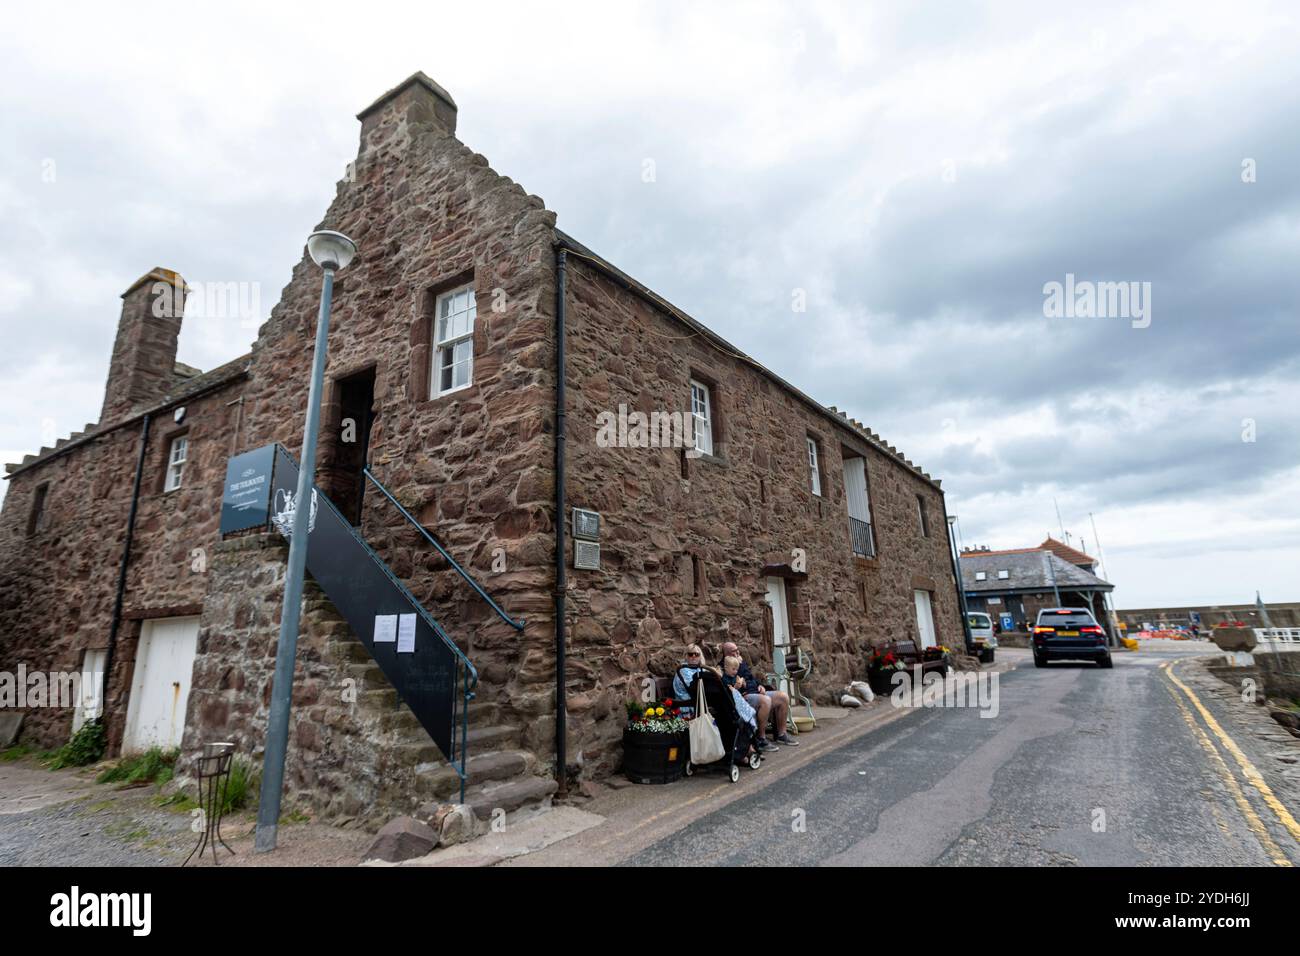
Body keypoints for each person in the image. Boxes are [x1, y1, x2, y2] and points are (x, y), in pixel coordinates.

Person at [721, 641, 798, 746]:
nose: (737, 653)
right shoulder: (725, 666)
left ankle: (781, 734)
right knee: (766, 701)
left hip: (755, 691)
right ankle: (761, 738)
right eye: (734, 652)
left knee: (783, 697)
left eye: (737, 650)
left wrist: (759, 685)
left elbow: (750, 678)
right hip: (744, 697)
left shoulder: (741, 662)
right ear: (726, 654)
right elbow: (731, 686)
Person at [722, 655, 774, 751]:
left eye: (737, 669)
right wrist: (736, 687)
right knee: (749, 715)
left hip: (742, 699)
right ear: (726, 668)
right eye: (733, 669)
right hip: (733, 705)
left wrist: (743, 684)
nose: (736, 672)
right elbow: (730, 691)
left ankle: (753, 743)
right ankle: (752, 745)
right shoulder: (725, 679)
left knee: (751, 713)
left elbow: (743, 687)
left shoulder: (734, 676)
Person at [672, 643, 707, 715]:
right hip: (686, 703)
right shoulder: (683, 669)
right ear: (686, 656)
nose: (694, 656)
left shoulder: (700, 668)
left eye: (697, 654)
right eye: (691, 654)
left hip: (696, 701)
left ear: (700, 656)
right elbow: (692, 687)